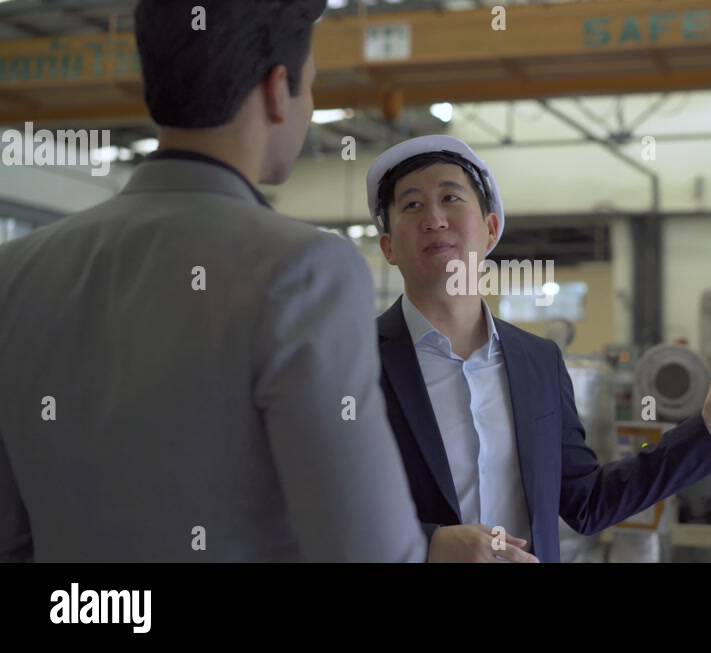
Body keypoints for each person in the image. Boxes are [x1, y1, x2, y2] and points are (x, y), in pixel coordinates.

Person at [0, 0, 426, 562]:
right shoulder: (305, 270)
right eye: (311, 88)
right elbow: (371, 552)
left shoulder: (15, 271)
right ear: (278, 91)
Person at [367, 135, 711, 562]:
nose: (435, 219)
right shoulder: (357, 361)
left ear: (491, 229)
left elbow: (587, 502)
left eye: (450, 197)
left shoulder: (538, 362)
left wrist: (709, 432)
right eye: (412, 205)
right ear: (388, 246)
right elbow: (315, 504)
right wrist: (430, 545)